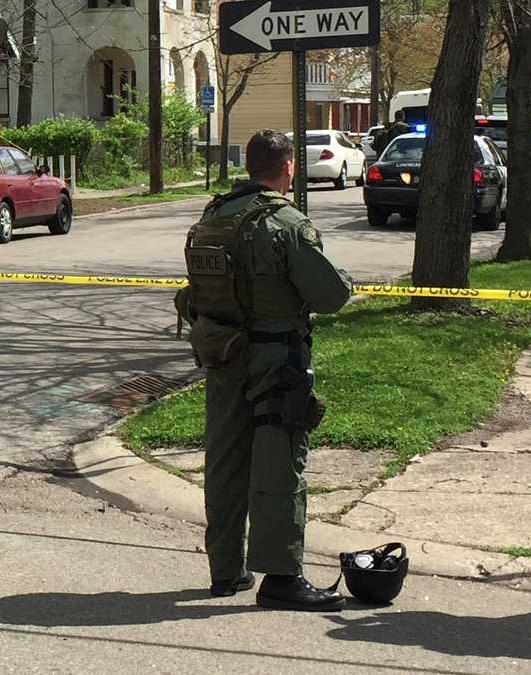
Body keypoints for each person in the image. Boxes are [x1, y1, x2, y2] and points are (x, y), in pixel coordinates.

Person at [184, 129, 353, 611]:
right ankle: (281, 579)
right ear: (287, 168)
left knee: (225, 461)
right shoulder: (284, 222)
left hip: (224, 354)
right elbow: (330, 295)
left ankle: (226, 571)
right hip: (276, 361)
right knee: (280, 465)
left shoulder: (214, 215)